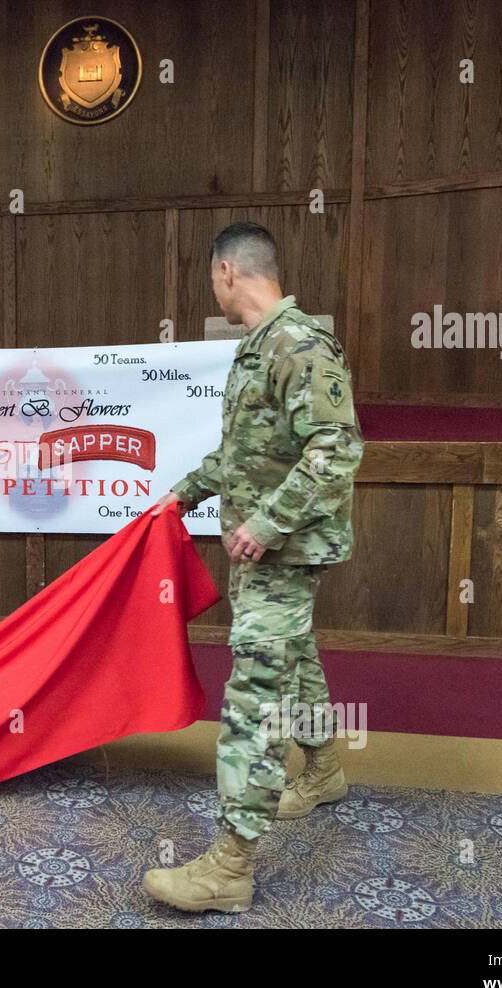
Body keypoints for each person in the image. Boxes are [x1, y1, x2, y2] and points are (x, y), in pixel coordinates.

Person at [144, 222, 363, 913]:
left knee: (255, 693)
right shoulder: (257, 349)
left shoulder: (298, 343)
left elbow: (337, 447)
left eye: (212, 275)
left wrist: (267, 522)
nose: (212, 284)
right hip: (264, 550)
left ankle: (230, 865)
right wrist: (181, 495)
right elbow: (241, 458)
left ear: (228, 272)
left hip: (283, 549)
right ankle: (324, 768)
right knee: (293, 658)